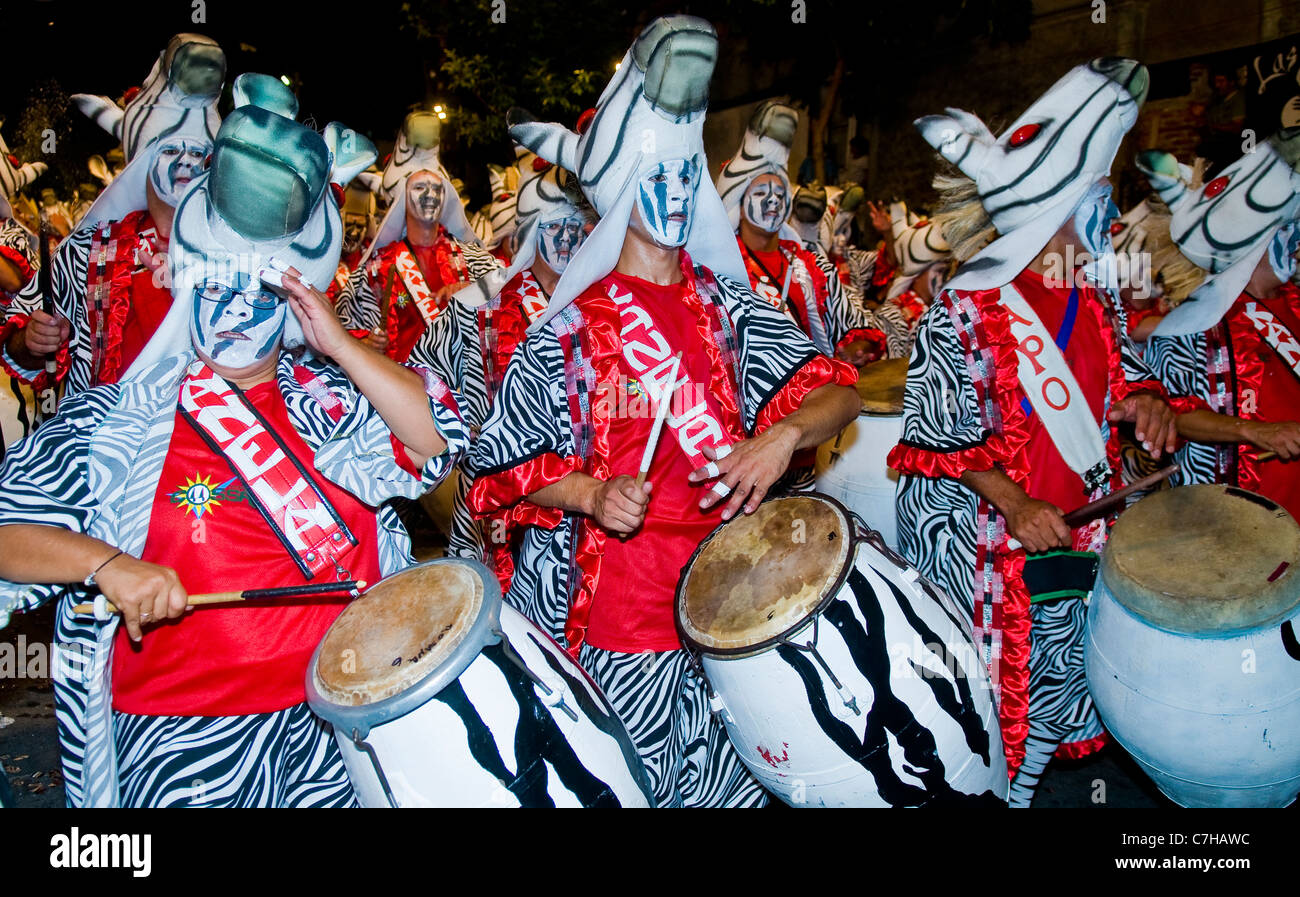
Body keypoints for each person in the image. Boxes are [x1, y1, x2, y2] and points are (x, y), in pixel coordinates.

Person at [0, 86, 469, 807]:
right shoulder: (118, 420)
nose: (237, 309)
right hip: (182, 739)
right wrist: (106, 563)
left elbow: (432, 438)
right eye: (221, 287)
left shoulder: (332, 403)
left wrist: (339, 345)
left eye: (262, 293)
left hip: (333, 729)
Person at [469, 15, 859, 807]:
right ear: (618, 193)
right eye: (658, 179)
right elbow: (496, 473)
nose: (677, 194)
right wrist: (586, 492)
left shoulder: (730, 308)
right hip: (624, 622)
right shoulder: (571, 327)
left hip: (735, 608)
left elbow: (842, 390)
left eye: (687, 177)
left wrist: (780, 438)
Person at [888, 58, 1187, 807]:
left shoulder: (1098, 296)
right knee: (1007, 716)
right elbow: (935, 440)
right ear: (1056, 201)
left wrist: (1147, 405)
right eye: (1099, 196)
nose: (1109, 215)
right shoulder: (964, 308)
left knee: (1065, 702)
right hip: (1002, 555)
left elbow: (1123, 384)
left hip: (1086, 534)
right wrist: (1016, 505)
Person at [0, 33, 225, 397]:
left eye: (199, 154)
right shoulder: (86, 251)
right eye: (171, 151)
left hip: (199, 441)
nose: (187, 162)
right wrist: (31, 340)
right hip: (99, 440)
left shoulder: (235, 252)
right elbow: (18, 351)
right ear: (142, 162)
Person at [408, 162, 593, 587]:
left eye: (575, 226)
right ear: (529, 232)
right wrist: (458, 436)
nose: (567, 238)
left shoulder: (604, 303)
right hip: (494, 507)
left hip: (587, 504)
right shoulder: (475, 306)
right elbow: (421, 382)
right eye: (554, 227)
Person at [1141, 135, 1300, 522]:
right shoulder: (1190, 323)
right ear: (1255, 241)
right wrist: (1256, 431)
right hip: (1240, 528)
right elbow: (1173, 414)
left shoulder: (1294, 302)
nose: (1296, 241)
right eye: (1289, 229)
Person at [716, 100, 889, 368]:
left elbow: (854, 322)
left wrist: (859, 345)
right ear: (738, 205)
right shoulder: (722, 272)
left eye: (780, 193)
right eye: (760, 193)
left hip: (818, 394)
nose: (772, 201)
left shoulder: (812, 266)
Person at [335, 108, 501, 363]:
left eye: (437, 188)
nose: (430, 195)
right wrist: (363, 343)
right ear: (402, 199)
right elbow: (341, 329)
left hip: (462, 393)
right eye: (420, 187)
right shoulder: (376, 268)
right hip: (399, 392)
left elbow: (509, 298)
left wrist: (474, 289)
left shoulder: (474, 260)